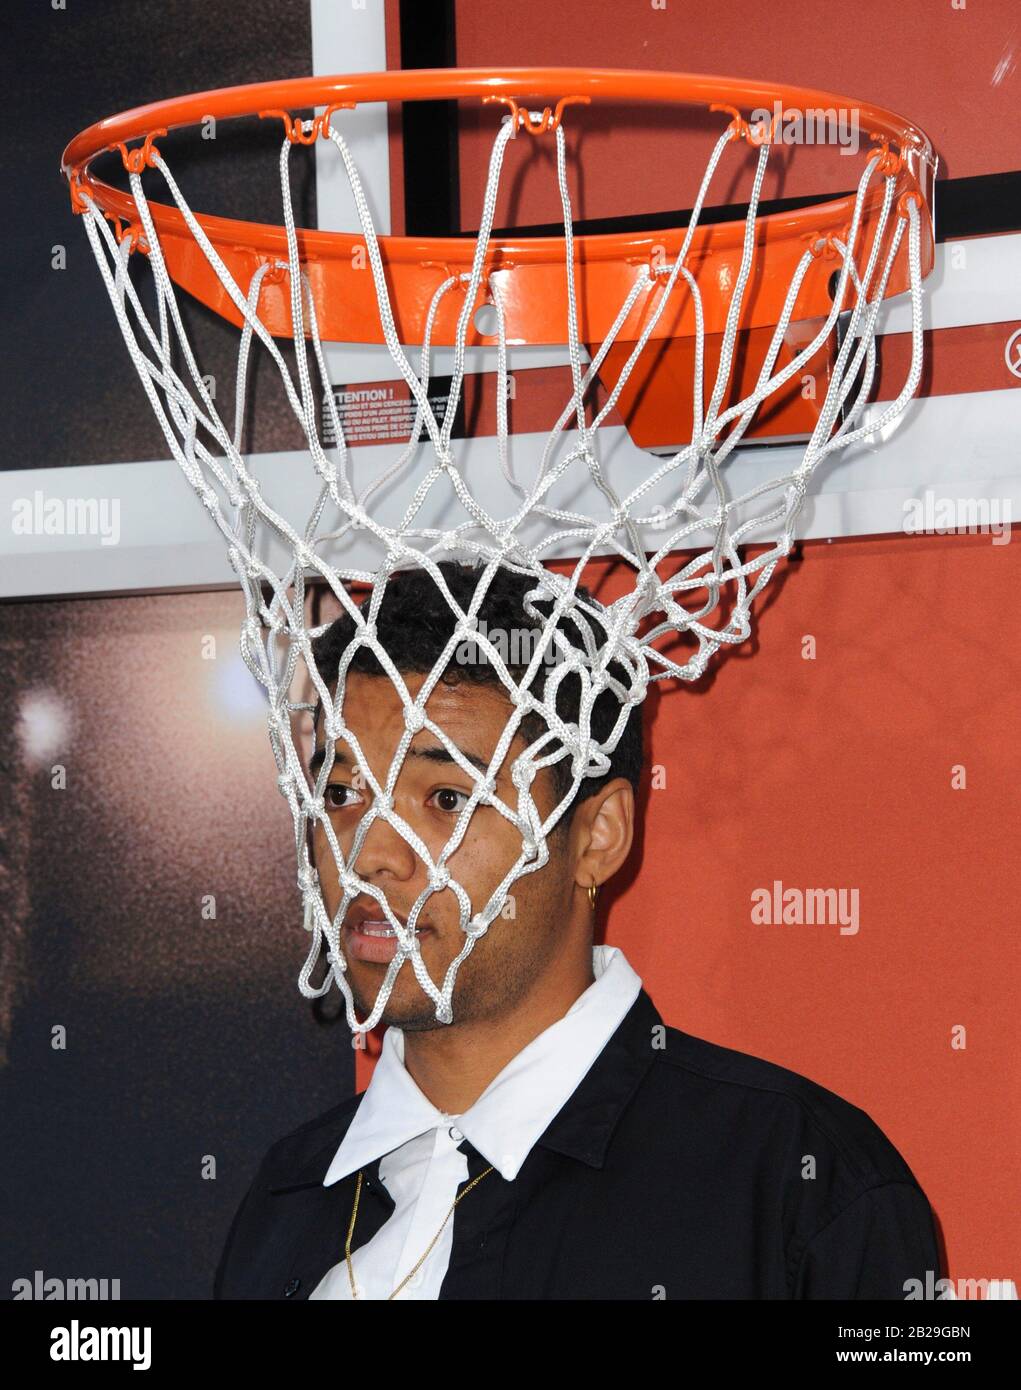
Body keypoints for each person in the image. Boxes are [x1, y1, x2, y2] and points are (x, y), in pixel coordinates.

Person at [213, 560, 941, 1300]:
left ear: (597, 836)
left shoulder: (800, 1184)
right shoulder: (286, 1197)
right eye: (340, 793)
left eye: (446, 799)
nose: (368, 854)